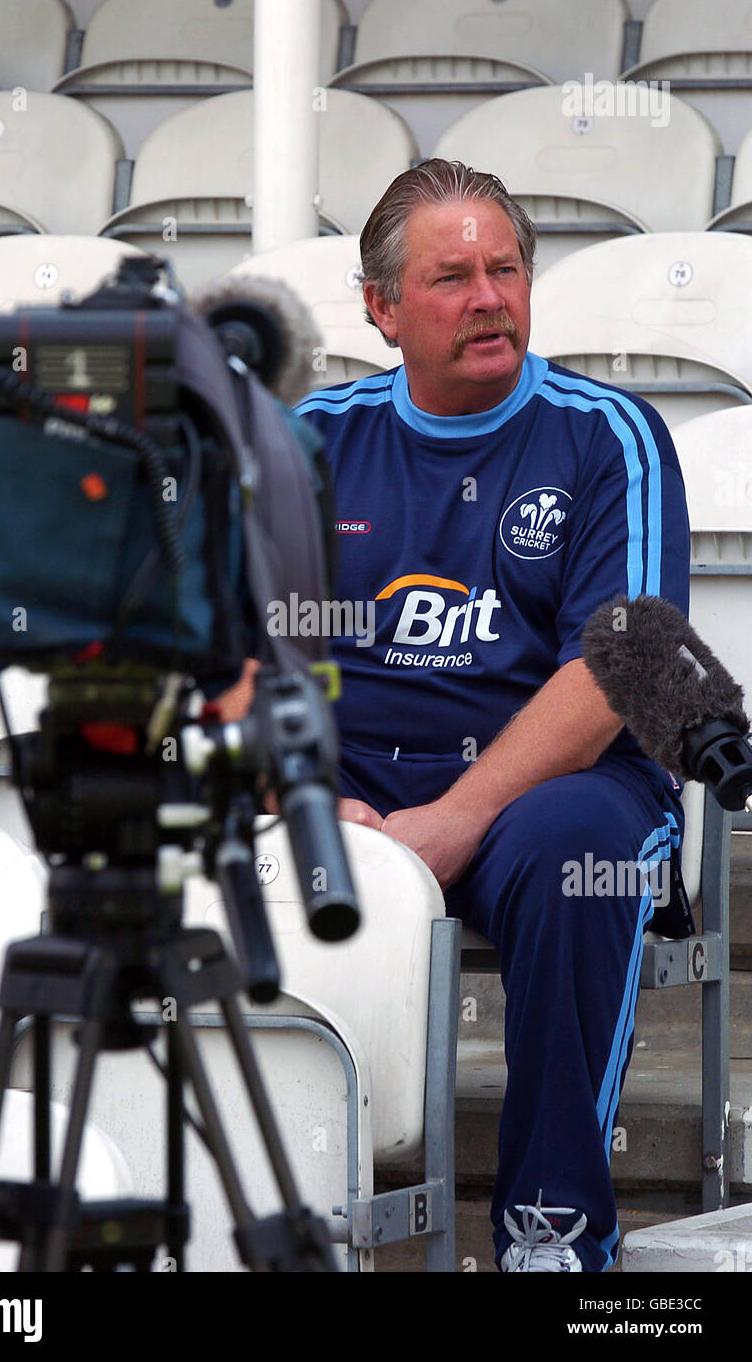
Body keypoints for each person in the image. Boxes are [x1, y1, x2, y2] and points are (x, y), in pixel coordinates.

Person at [291, 160, 691, 1273]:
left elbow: (627, 669)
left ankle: (550, 1237)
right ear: (380, 308)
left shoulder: (608, 434)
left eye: (506, 269)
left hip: (561, 792)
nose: (489, 298)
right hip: (356, 784)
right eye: (451, 277)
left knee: (576, 854)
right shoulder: (314, 443)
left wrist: (460, 814)